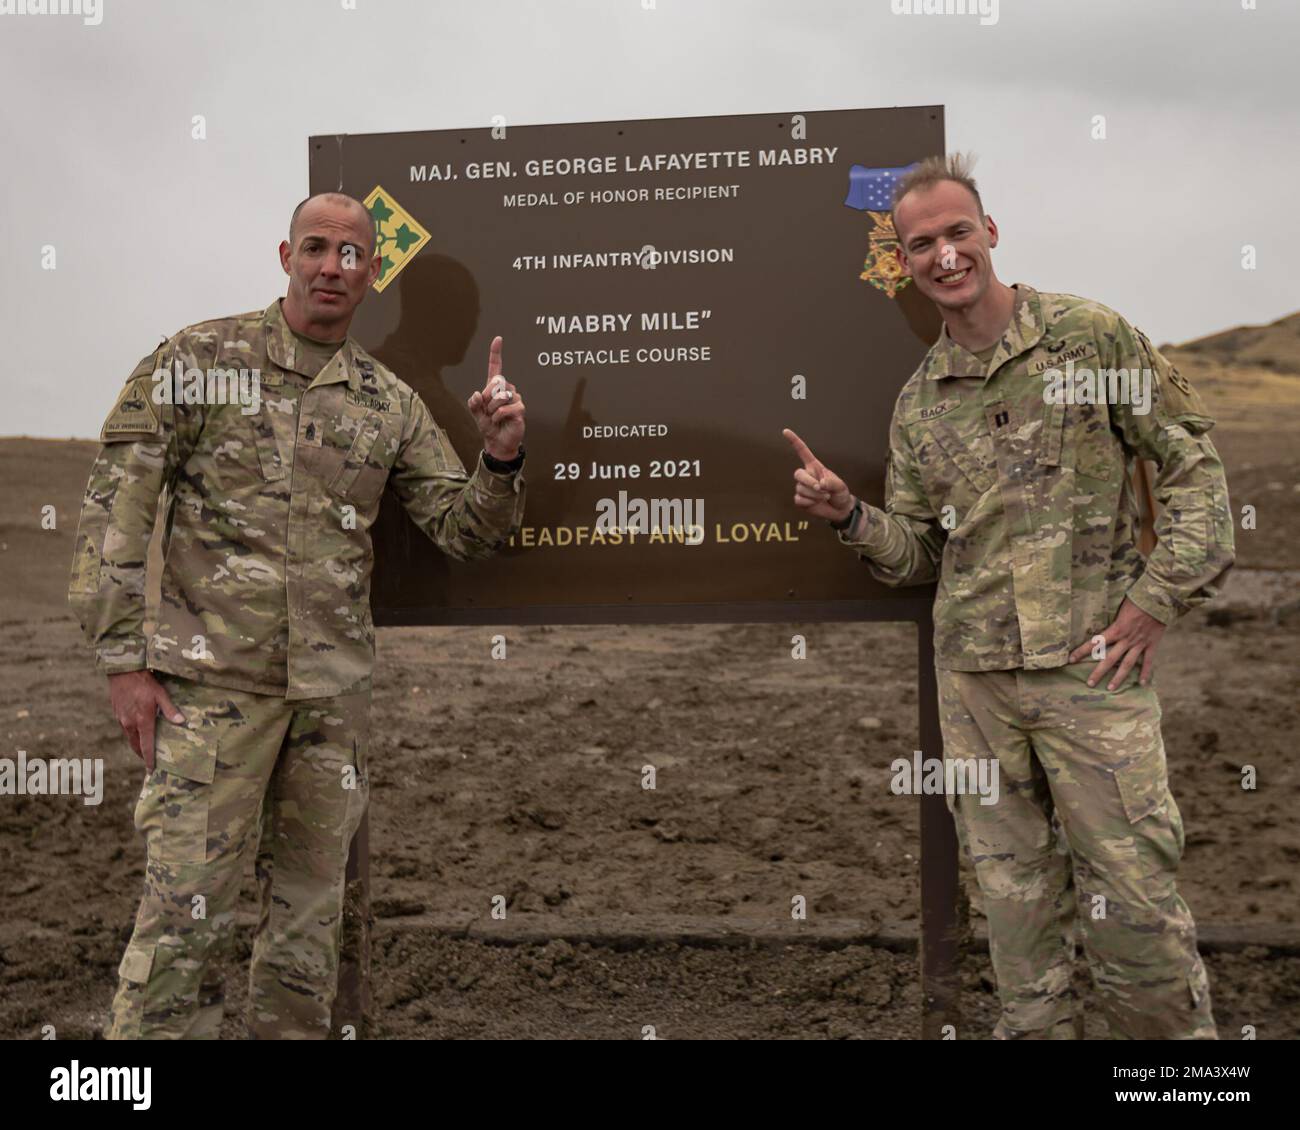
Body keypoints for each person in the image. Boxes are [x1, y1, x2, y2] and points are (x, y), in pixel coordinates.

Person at [784, 154, 1234, 1039]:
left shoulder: (1092, 339)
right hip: (979, 692)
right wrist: (850, 516)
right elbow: (920, 554)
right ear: (904, 263)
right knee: (1016, 913)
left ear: (989, 232)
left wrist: (1152, 602)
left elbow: (1195, 473)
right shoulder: (918, 407)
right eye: (922, 244)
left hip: (1092, 679)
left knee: (1136, 905)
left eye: (957, 232)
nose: (944, 255)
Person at [68, 192, 527, 1039]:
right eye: (317, 248)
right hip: (209, 698)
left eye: (352, 255)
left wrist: (500, 456)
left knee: (308, 931)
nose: (332, 267)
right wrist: (123, 662)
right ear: (286, 257)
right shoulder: (198, 359)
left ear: (372, 276)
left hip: (329, 709)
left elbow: (465, 532)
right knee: (182, 920)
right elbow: (117, 510)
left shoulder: (387, 403)